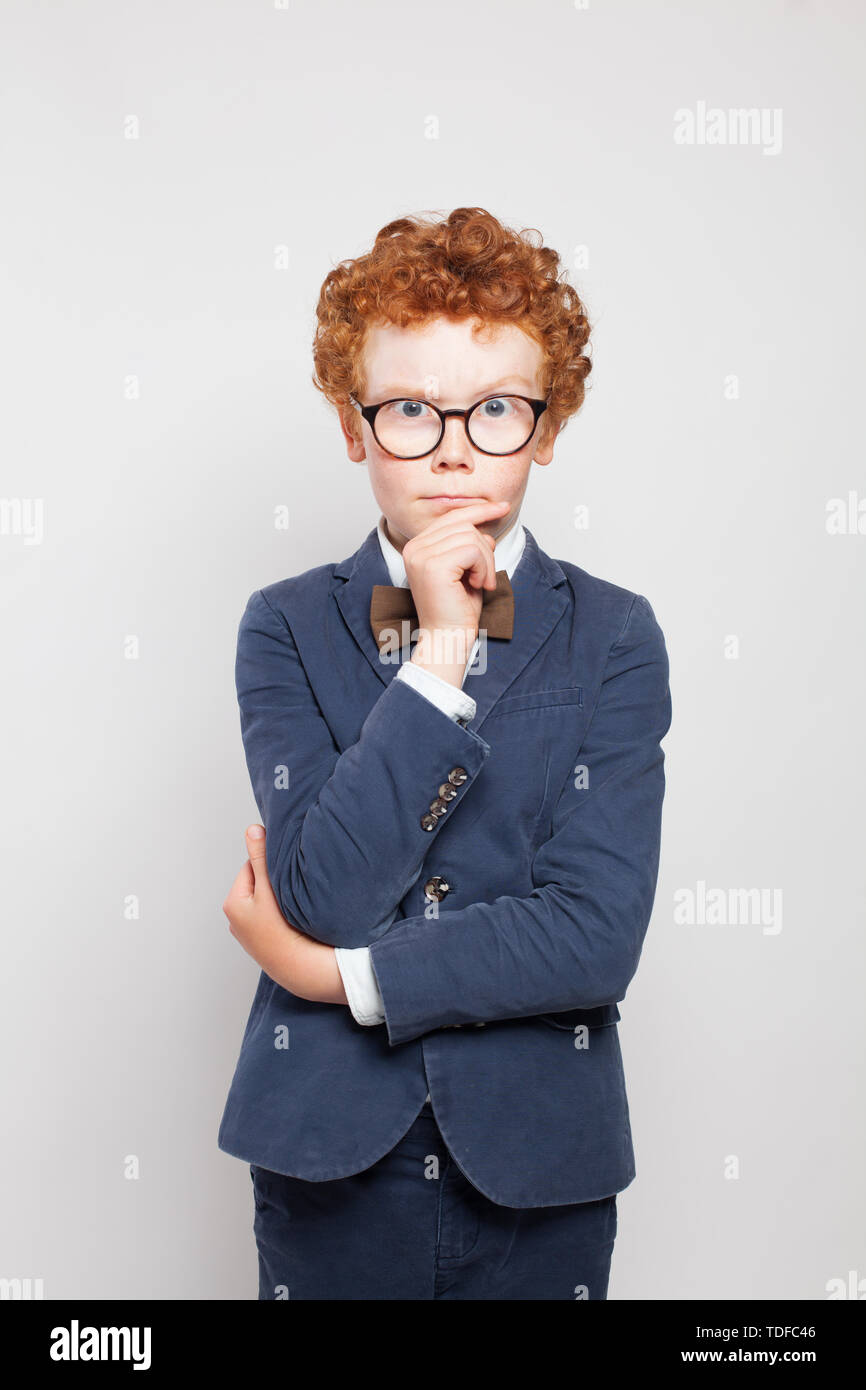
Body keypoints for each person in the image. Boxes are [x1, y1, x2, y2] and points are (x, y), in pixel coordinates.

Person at [217, 206, 672, 1300]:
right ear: (352, 424)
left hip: (538, 1167)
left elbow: (592, 937)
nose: (457, 447)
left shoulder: (614, 634)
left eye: (497, 409)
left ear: (547, 426)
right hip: (327, 1157)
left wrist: (333, 976)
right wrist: (444, 649)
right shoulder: (281, 623)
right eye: (412, 410)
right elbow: (323, 888)